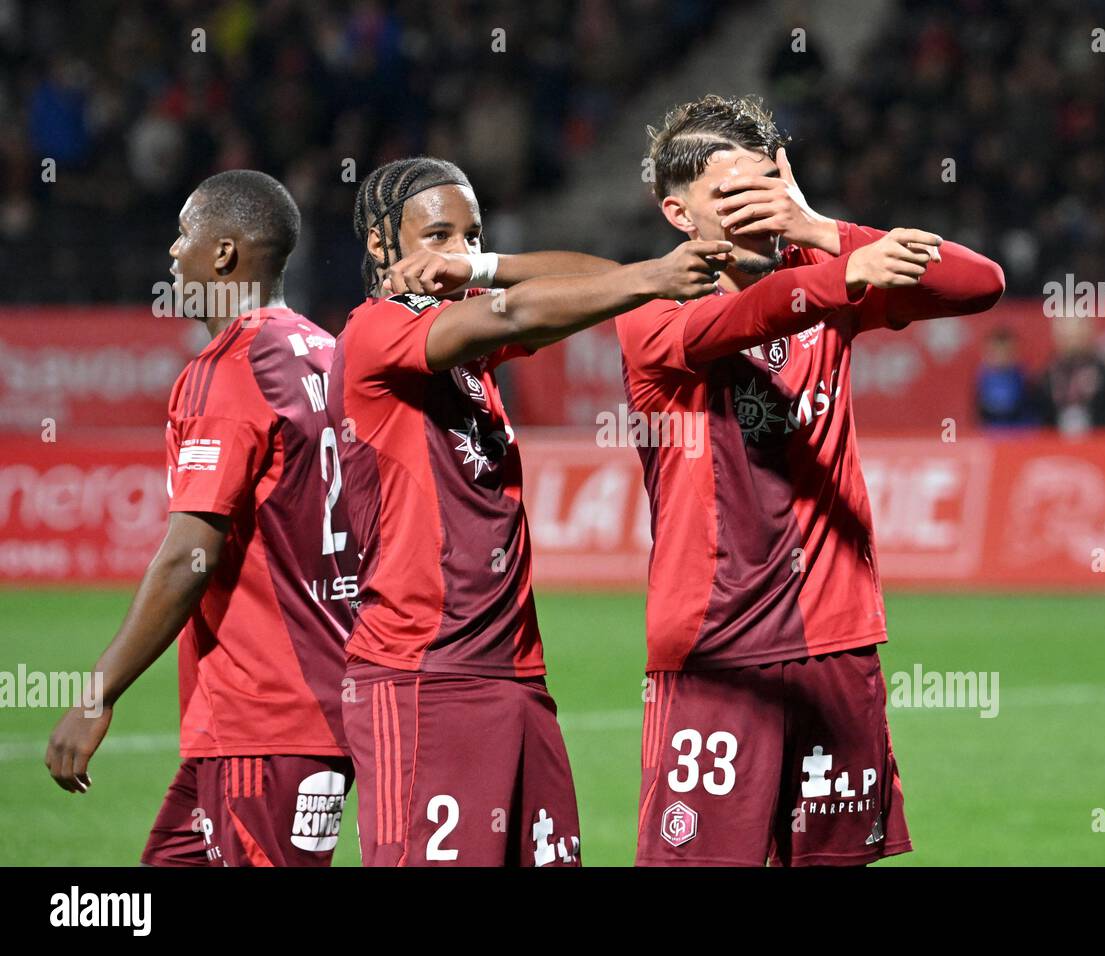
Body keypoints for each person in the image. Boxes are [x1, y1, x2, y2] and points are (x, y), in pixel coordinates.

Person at [617, 94, 1005, 866]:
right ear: (678, 214)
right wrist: (844, 271)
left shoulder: (826, 269)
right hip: (717, 649)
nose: (757, 206)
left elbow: (980, 283)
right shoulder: (653, 309)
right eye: (731, 194)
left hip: (837, 639)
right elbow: (750, 317)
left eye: (767, 184)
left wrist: (821, 229)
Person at [330, 156, 731, 866]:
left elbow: (604, 279)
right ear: (381, 243)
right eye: (438, 236)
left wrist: (484, 266)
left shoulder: (472, 354)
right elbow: (527, 307)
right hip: (425, 675)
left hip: (515, 674)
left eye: (472, 234)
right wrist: (652, 275)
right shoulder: (376, 331)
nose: (457, 250)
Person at [46, 170, 357, 866]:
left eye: (184, 233)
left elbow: (189, 557)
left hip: (267, 718)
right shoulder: (328, 354)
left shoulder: (231, 370)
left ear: (223, 253)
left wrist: (95, 695)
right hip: (298, 707)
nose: (172, 250)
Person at [1041, 313, 1105, 434]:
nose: (1073, 339)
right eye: (1068, 334)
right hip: (1055, 441)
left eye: (1076, 333)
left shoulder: (1102, 372)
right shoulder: (1050, 372)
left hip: (1098, 439)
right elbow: (1042, 412)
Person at [975, 327, 1041, 427]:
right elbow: (980, 415)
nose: (1001, 357)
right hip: (991, 432)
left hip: (1021, 432)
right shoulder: (982, 379)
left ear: (1014, 353)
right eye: (996, 352)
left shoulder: (1023, 378)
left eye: (1005, 352)